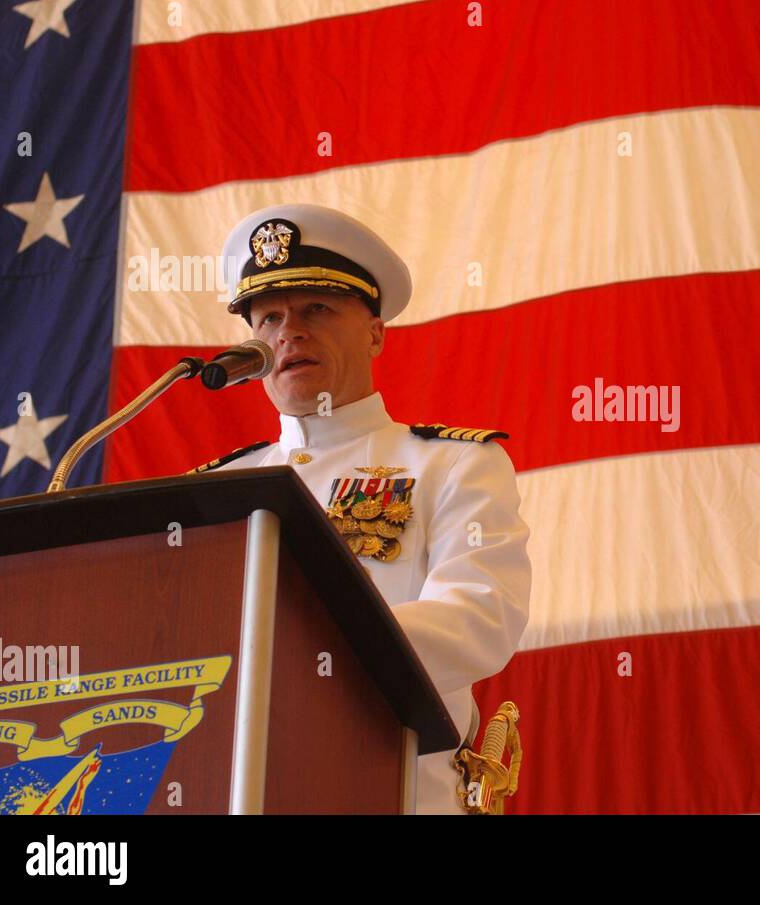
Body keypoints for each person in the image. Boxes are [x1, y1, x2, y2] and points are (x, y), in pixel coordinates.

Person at [199, 203, 531, 814]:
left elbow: (480, 619)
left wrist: (304, 654)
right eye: (269, 317)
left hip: (395, 792)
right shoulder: (215, 490)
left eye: (316, 309)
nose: (289, 332)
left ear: (376, 333)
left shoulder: (452, 464)